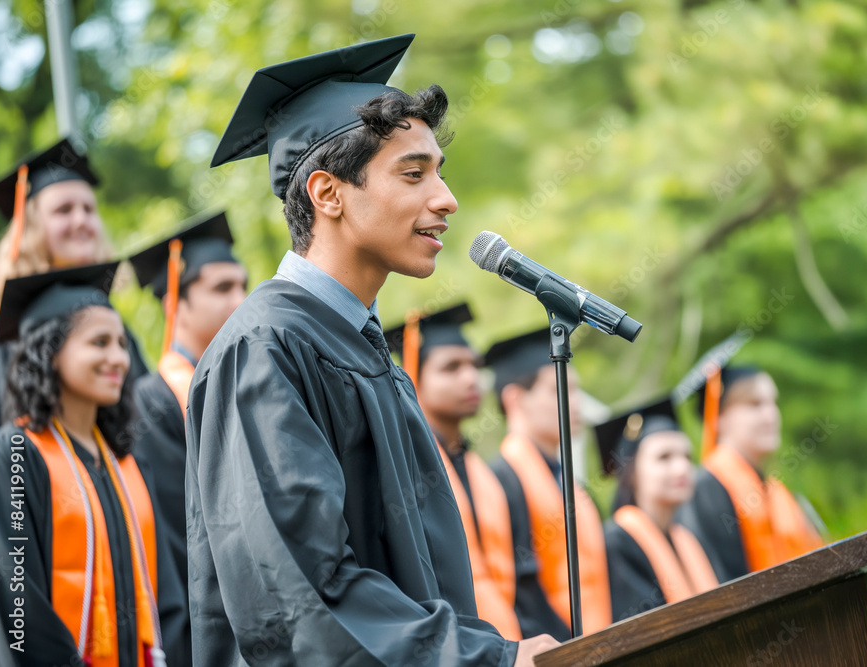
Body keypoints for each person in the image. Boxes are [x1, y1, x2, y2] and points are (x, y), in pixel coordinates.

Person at [185, 34, 557, 665]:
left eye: (439, 171)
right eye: (413, 174)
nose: (446, 199)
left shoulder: (360, 344)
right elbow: (300, 594)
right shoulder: (264, 348)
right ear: (328, 194)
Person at [0, 262, 186, 666]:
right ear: (49, 351)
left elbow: (165, 597)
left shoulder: (127, 463)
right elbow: (18, 598)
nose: (119, 357)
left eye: (120, 342)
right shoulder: (15, 452)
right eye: (99, 342)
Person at [127, 210, 248, 663]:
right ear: (174, 301)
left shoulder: (247, 388)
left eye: (242, 285)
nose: (241, 299)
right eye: (221, 288)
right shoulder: (151, 404)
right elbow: (176, 541)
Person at [384, 303, 521, 640]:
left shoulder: (479, 470)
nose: (470, 378)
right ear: (413, 375)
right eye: (451, 368)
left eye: (474, 365)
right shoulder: (401, 465)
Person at [0, 138, 149, 423]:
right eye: (63, 210)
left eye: (89, 210)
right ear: (30, 228)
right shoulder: (5, 336)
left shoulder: (112, 323)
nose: (81, 221)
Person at [486, 329, 611, 641]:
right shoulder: (498, 483)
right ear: (515, 399)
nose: (577, 403)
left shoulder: (572, 484)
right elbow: (518, 592)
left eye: (578, 390)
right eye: (561, 390)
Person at [679, 365, 825, 583]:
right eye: (754, 404)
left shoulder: (775, 489)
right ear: (718, 418)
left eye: (773, 403)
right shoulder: (706, 489)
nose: (771, 415)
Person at [594, 397, 718, 622]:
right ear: (632, 472)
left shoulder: (687, 539)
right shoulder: (617, 543)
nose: (682, 468)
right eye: (664, 457)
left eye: (687, 457)